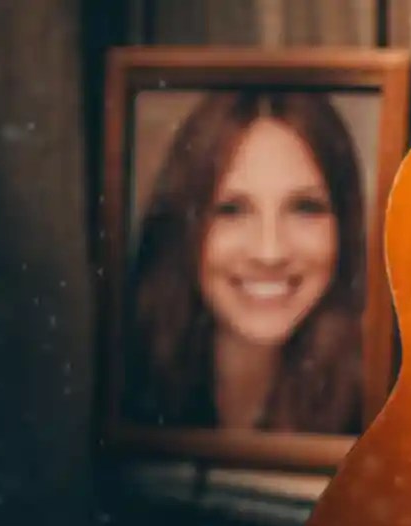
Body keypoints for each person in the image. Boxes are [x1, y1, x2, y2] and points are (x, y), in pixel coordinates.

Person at [124, 91, 365, 434]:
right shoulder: (121, 386)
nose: (270, 252)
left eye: (304, 208)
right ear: (182, 226)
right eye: (231, 210)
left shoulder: (379, 403)